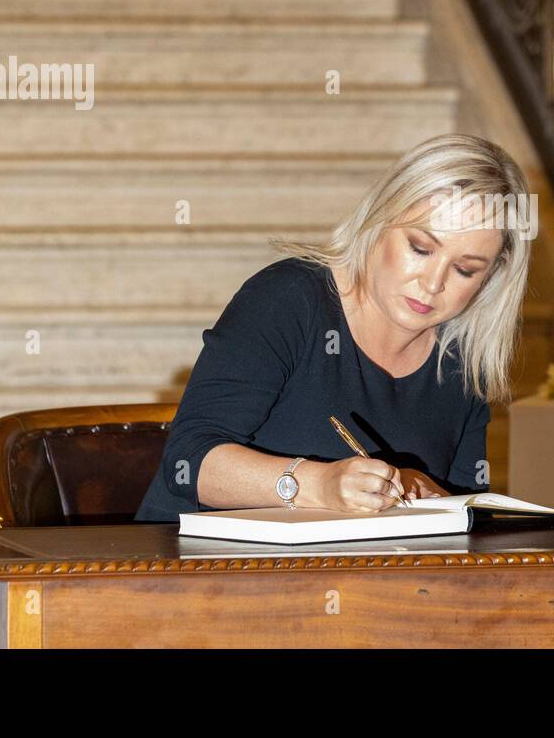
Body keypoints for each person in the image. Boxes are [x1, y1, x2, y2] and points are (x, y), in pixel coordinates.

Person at [135, 133, 533, 521]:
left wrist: (420, 491)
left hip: (360, 579)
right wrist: (319, 486)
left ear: (491, 277)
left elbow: (467, 509)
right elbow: (189, 460)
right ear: (380, 221)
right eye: (420, 248)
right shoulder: (290, 299)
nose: (432, 283)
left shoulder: (462, 358)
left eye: (465, 269)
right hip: (203, 572)